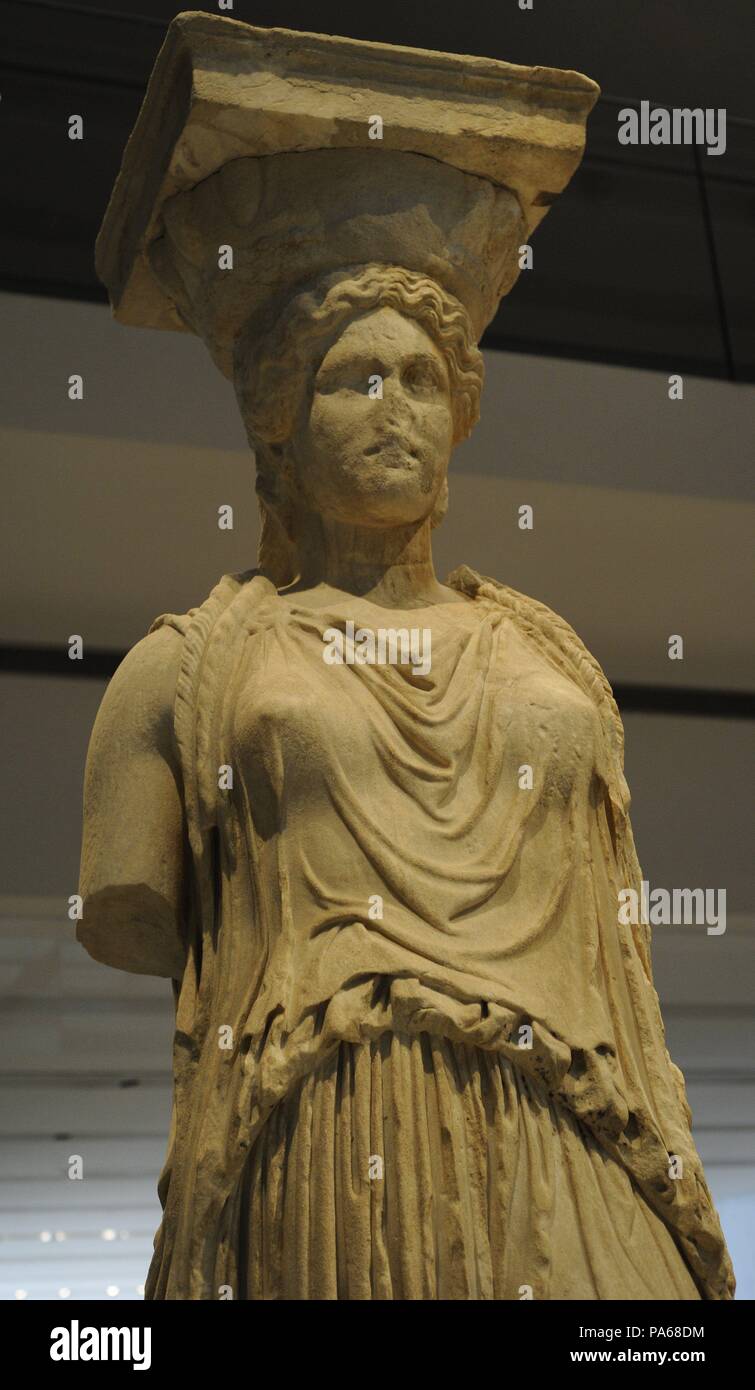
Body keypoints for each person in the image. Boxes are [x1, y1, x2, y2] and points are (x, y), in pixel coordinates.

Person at [78, 261, 733, 1300]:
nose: (395, 411)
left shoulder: (545, 653)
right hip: (333, 1122)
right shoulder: (188, 669)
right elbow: (127, 902)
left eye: (422, 382)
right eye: (355, 380)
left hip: (581, 1118)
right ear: (279, 421)